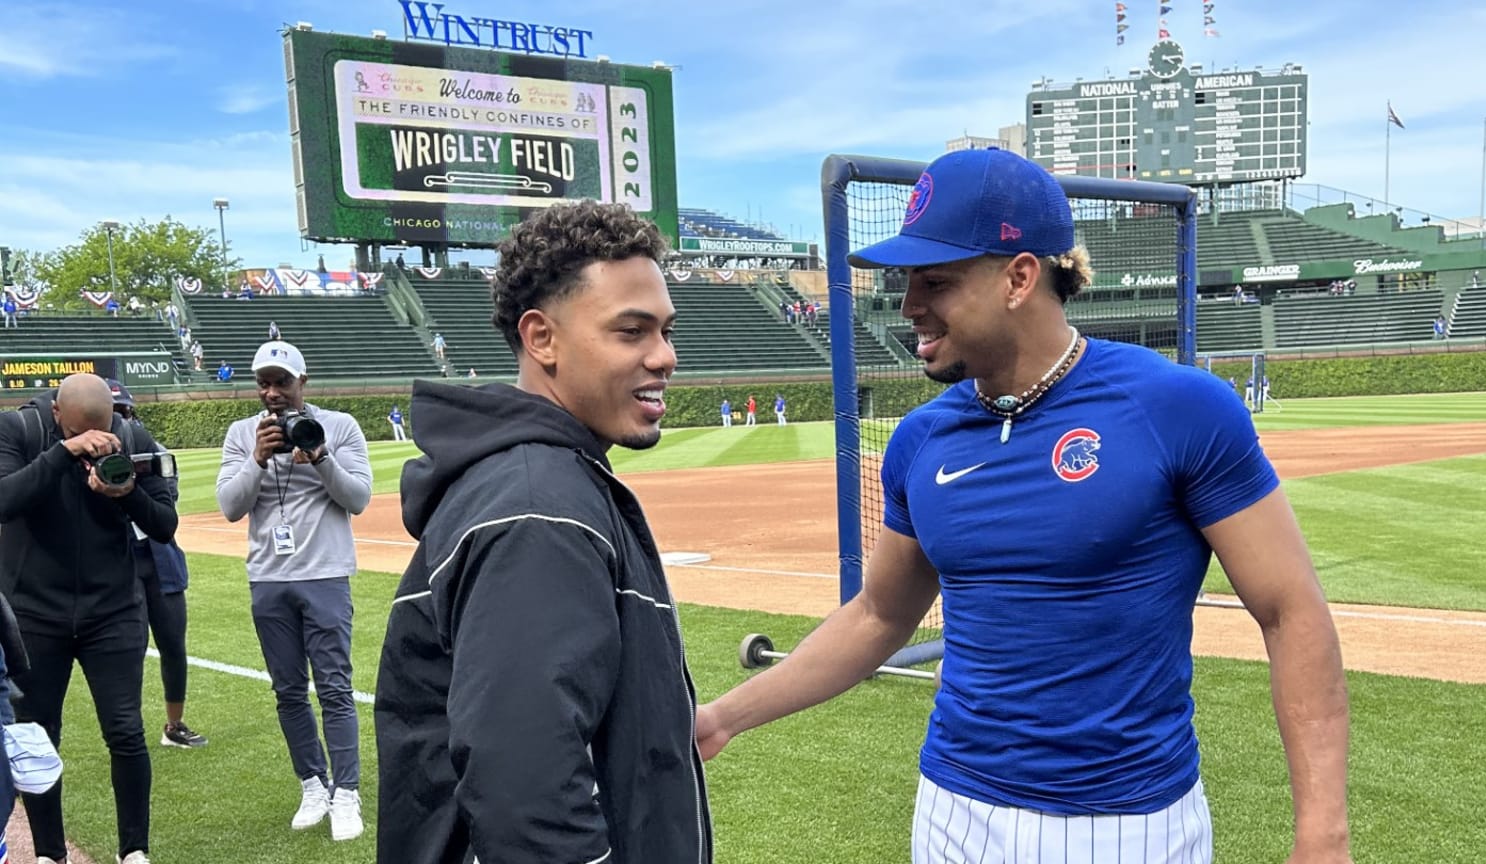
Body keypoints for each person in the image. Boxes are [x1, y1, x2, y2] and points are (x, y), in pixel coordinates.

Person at [694, 149, 1351, 863]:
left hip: (1127, 824)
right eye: (907, 281)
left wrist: (1322, 833)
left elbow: (1291, 612)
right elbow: (878, 615)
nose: (909, 304)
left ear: (1019, 277)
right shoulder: (921, 439)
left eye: (935, 281)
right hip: (952, 811)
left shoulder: (1178, 407)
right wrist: (724, 719)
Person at [375, 200, 712, 864]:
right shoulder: (538, 507)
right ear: (542, 338)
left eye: (666, 331)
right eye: (632, 331)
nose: (664, 356)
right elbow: (523, 794)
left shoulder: (540, 482)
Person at [0, 373, 179, 864]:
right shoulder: (19, 431)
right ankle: (48, 854)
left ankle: (134, 851)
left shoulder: (133, 437)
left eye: (98, 432)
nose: (91, 445)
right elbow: (4, 500)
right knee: (38, 734)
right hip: (34, 610)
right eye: (79, 433)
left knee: (124, 730)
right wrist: (62, 454)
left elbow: (164, 526)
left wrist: (126, 493)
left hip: (113, 608)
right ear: (57, 415)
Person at [216, 340, 373, 842]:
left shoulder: (340, 426)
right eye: (264, 382)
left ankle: (346, 792)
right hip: (268, 578)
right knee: (287, 690)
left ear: (302, 382)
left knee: (334, 688)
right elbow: (230, 507)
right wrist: (258, 459)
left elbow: (359, 498)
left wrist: (321, 457)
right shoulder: (243, 435)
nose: (272, 392)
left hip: (325, 573)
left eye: (281, 381)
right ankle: (313, 784)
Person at [103, 380, 210, 751]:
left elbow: (167, 502)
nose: (121, 421)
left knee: (172, 643)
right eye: (113, 413)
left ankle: (174, 724)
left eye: (125, 412)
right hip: (117, 561)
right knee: (126, 649)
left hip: (159, 556)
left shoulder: (154, 452)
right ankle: (126, 729)